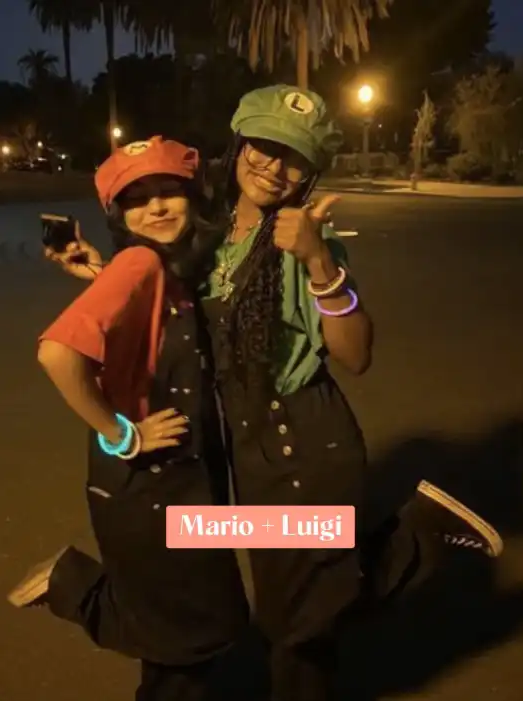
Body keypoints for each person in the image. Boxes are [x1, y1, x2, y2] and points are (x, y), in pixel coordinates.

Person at [35, 87, 504, 701]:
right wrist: (104, 274)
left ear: (310, 172)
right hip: (241, 452)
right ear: (238, 145)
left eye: (294, 158)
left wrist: (318, 261)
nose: (273, 167)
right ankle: (409, 539)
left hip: (302, 442)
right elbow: (177, 315)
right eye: (263, 146)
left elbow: (356, 355)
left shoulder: (308, 240)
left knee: (295, 627)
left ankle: (412, 541)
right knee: (237, 574)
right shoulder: (209, 234)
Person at [7, 136, 251, 701]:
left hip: (181, 482)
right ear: (120, 213)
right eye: (137, 199)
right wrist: (122, 435)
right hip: (151, 490)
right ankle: (74, 586)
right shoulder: (141, 262)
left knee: (193, 628)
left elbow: (147, 326)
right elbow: (57, 353)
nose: (156, 207)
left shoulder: (157, 264)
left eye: (169, 191)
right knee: (189, 641)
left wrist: (102, 272)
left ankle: (75, 586)